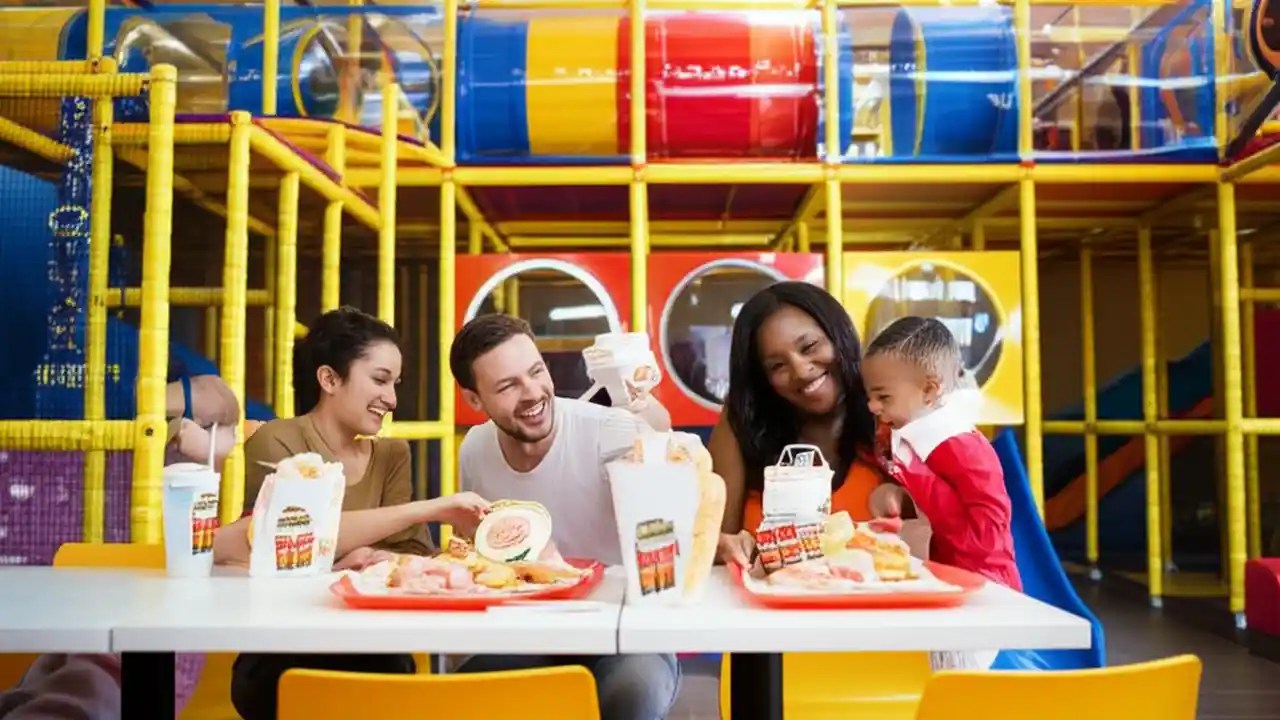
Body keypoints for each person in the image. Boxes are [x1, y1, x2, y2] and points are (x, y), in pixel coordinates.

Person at [212, 307, 489, 720]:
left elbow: (412, 555)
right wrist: (428, 510)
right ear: (329, 379)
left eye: (395, 384)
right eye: (380, 380)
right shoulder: (279, 441)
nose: (392, 400)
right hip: (285, 656)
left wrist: (371, 558)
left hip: (378, 654)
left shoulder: (393, 455)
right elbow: (287, 542)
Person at [448, 313, 680, 720]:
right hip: (526, 633)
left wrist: (648, 423)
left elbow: (669, 499)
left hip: (623, 632)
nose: (533, 392)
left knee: (632, 694)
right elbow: (476, 557)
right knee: (470, 695)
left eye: (537, 371)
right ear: (474, 400)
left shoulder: (609, 430)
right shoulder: (476, 448)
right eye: (508, 385)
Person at [860, 316, 1020, 670]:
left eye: (882, 396)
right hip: (946, 580)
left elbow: (987, 532)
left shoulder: (958, 445)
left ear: (930, 390)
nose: (872, 406)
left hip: (980, 591)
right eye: (869, 396)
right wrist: (897, 494)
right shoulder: (910, 434)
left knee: (954, 678)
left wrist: (913, 476)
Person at [708, 281, 886, 566]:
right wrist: (727, 547)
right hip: (768, 605)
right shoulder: (741, 424)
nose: (801, 371)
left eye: (810, 346)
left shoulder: (889, 414)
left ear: (838, 335)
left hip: (882, 605)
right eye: (777, 366)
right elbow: (713, 542)